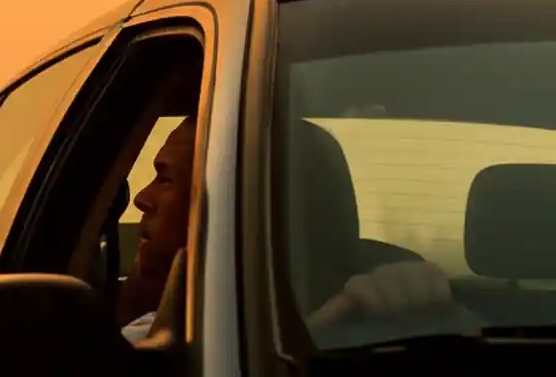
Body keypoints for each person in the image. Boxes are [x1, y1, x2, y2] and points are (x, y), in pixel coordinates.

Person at [115, 116, 462, 343]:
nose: (142, 199)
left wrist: (449, 324)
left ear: (231, 199)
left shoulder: (401, 296)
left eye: (166, 179)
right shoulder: (151, 335)